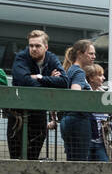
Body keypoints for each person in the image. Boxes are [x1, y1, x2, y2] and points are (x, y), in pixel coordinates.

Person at [9, 30, 69, 160]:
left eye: (37, 46)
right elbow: (23, 81)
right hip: (18, 115)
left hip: (39, 115)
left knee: (33, 158)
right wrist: (50, 81)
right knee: (16, 159)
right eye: (31, 46)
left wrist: (40, 77)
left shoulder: (51, 58)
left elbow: (64, 82)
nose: (33, 49)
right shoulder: (21, 57)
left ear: (46, 47)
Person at [60, 39, 100, 162]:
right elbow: (75, 93)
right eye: (91, 53)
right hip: (79, 120)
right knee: (80, 162)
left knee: (72, 160)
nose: (94, 57)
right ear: (80, 53)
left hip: (68, 120)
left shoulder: (70, 70)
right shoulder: (79, 72)